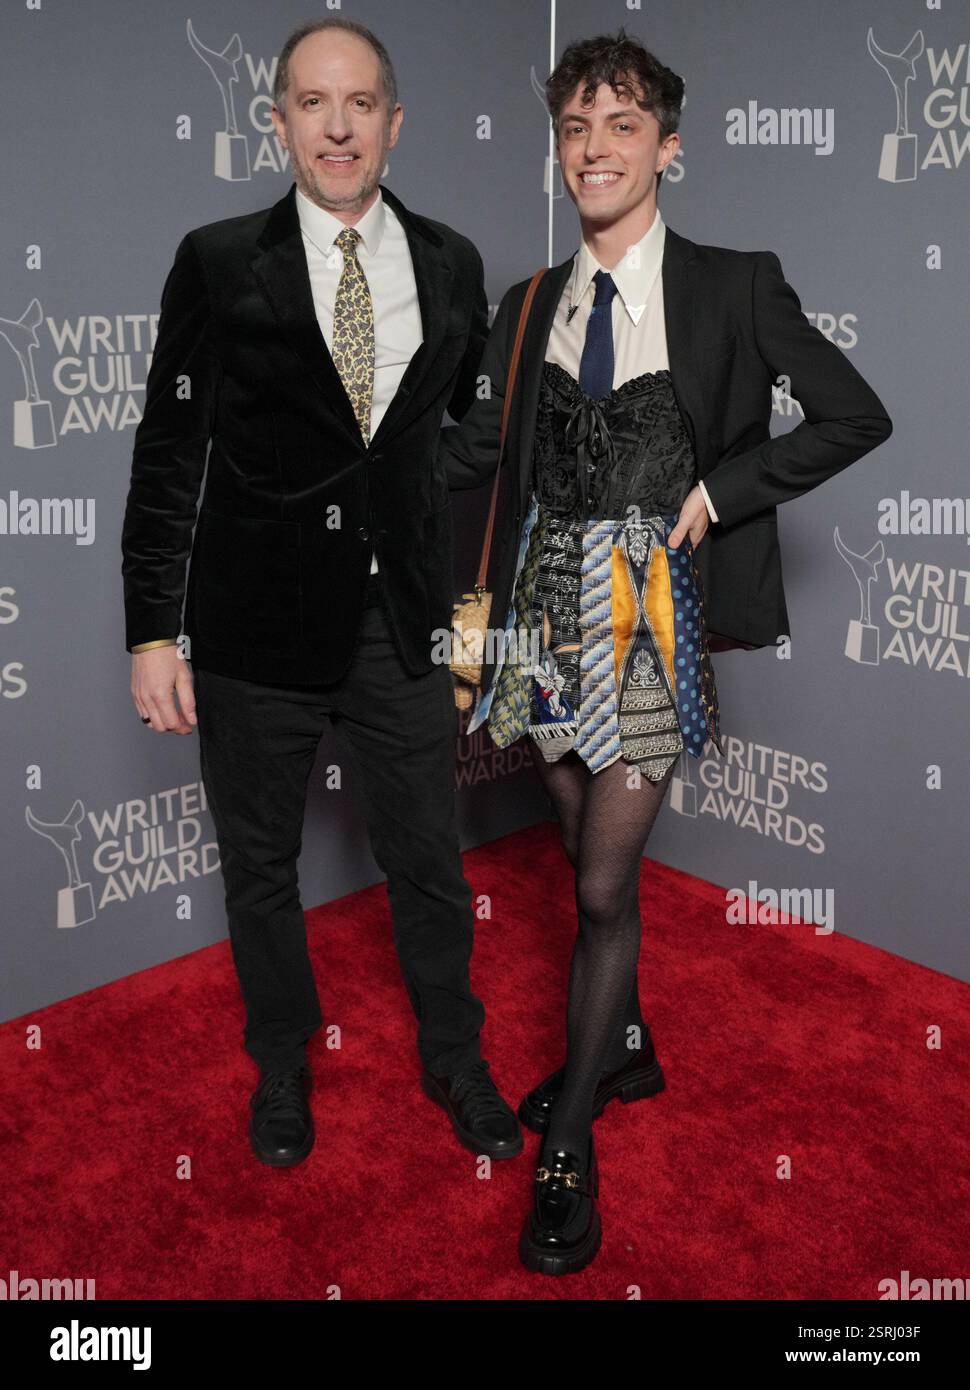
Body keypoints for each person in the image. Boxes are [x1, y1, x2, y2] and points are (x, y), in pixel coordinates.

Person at [439, 29, 892, 1274]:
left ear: (668, 149)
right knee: (592, 860)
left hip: (649, 614)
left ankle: (571, 1140)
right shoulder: (531, 304)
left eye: (621, 125)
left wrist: (725, 486)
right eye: (576, 128)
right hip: (544, 606)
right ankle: (623, 1046)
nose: (595, 149)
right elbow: (477, 457)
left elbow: (857, 412)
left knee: (594, 884)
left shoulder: (735, 284)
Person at [121, 18, 523, 1169]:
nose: (336, 125)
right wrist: (154, 626)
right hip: (250, 627)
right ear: (280, 120)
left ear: (395, 121)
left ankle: (455, 1057)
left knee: (430, 860)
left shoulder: (450, 261)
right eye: (311, 102)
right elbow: (169, 451)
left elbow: (476, 435)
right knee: (259, 863)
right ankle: (284, 1060)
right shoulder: (214, 258)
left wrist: (474, 581)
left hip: (399, 618)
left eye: (359, 104)